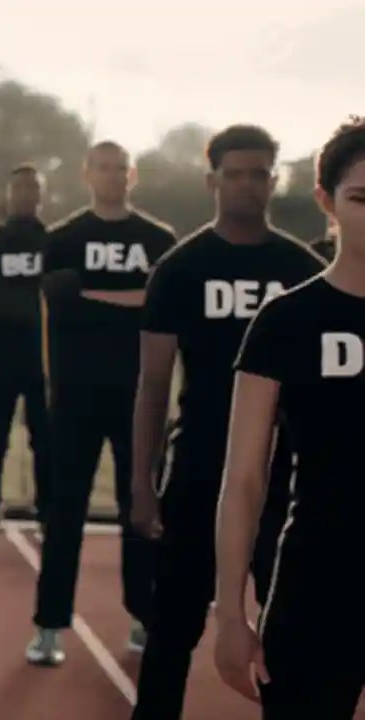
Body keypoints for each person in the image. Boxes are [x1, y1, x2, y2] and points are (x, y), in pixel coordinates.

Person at [128, 124, 326, 719]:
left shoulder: (302, 269)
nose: (247, 185)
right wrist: (142, 480)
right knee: (172, 631)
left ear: (275, 178)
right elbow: (155, 383)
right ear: (213, 179)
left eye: (259, 173)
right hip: (198, 472)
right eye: (235, 173)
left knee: (290, 635)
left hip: (286, 482)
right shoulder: (181, 269)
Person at [214, 116, 365, 719]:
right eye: (361, 198)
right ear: (327, 201)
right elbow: (244, 480)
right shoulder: (286, 322)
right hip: (317, 582)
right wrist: (230, 613)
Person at [27, 141, 173, 665]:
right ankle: (49, 626)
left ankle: (143, 617)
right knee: (64, 513)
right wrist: (130, 301)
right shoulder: (63, 238)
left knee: (142, 510)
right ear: (87, 173)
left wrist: (90, 298)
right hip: (73, 398)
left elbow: (160, 308)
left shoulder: (158, 239)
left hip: (140, 397)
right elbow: (60, 308)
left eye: (120, 167)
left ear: (131, 175)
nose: (112, 175)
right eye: (103, 167)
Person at [0, 164, 52, 522]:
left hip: (43, 360)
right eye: (18, 188)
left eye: (32, 188)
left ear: (41, 196)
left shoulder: (57, 244)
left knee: (46, 441)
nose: (25, 194)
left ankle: (49, 509)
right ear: (7, 194)